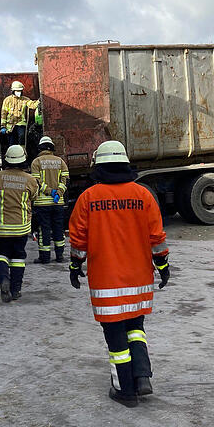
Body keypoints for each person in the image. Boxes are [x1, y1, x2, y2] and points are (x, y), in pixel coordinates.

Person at [68, 140, 170, 407]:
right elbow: (156, 237)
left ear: (98, 165)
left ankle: (125, 391)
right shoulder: (143, 195)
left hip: (106, 281)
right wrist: (163, 265)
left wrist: (74, 266)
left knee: (115, 338)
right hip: (138, 280)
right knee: (135, 328)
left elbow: (78, 240)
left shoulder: (88, 198)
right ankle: (142, 376)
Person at [0, 145, 40, 302]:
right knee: (18, 257)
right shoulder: (31, 180)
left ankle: (3, 280)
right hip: (21, 228)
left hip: (1, 227)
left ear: (6, 159)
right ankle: (15, 290)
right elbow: (34, 197)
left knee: (0, 255)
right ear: (23, 160)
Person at [30, 136, 69, 264]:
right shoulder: (60, 161)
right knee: (58, 229)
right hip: (58, 203)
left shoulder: (36, 162)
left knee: (44, 230)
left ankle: (45, 257)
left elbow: (36, 181)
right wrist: (58, 192)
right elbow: (65, 181)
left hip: (42, 203)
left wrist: (49, 191)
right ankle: (60, 256)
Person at [0, 81, 39, 148]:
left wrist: (39, 101)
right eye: (17, 91)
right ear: (13, 91)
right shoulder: (7, 100)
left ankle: (22, 152)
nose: (19, 92)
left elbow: (32, 105)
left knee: (22, 138)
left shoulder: (25, 99)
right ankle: (12, 154)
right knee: (12, 142)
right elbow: (4, 114)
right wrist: (3, 126)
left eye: (20, 91)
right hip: (10, 126)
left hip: (21, 124)